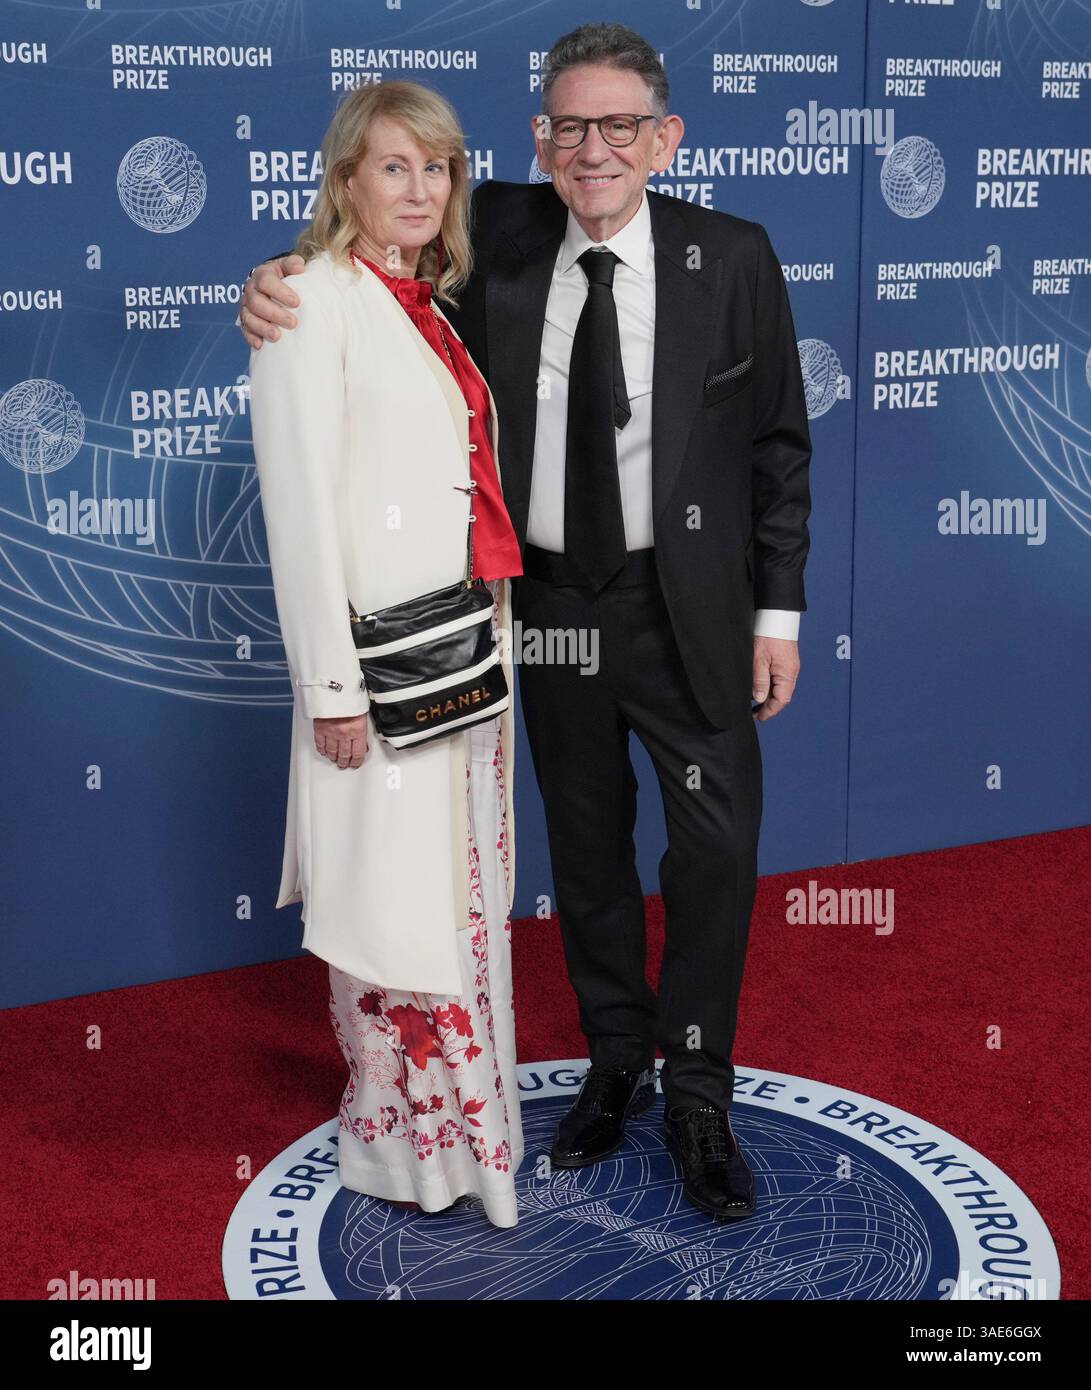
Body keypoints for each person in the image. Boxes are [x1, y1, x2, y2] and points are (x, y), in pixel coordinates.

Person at [241, 23, 812, 1224]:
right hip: (543, 611)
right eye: (566, 125)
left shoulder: (733, 255)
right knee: (587, 849)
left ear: (665, 137)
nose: (590, 149)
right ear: (538, 139)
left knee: (711, 852)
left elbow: (775, 448)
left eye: (617, 127)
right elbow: (366, 246)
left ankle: (697, 1085)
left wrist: (776, 610)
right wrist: (270, 279)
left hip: (685, 610)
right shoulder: (493, 231)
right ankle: (615, 1061)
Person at [247, 80, 525, 1228]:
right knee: (397, 911)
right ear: (346, 179)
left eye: (438, 168)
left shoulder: (425, 299)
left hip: (464, 660)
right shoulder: (307, 300)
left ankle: (468, 1144)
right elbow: (300, 510)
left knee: (461, 905)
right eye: (394, 167)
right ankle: (406, 1150)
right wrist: (330, 690)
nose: (420, 188)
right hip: (377, 679)